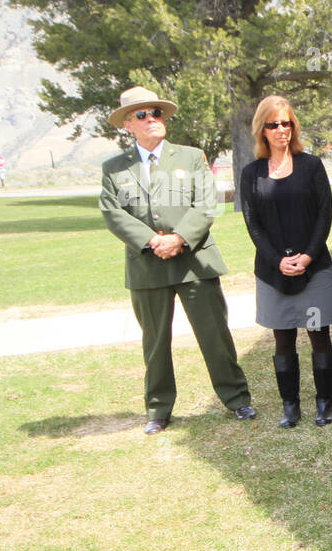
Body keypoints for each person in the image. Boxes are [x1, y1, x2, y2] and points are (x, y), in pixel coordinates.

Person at [98, 86, 255, 434]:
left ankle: (237, 399)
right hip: (146, 266)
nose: (152, 119)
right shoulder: (114, 168)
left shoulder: (190, 157)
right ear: (127, 123)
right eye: (142, 115)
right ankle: (159, 409)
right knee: (154, 342)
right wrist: (152, 241)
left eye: (156, 112)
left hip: (194, 262)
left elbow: (206, 204)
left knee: (215, 334)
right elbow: (113, 214)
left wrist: (179, 238)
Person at [239, 96, 332, 428]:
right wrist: (277, 261)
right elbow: (253, 225)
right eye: (274, 124)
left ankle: (324, 404)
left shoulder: (311, 166)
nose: (282, 130)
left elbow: (324, 214)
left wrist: (308, 255)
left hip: (313, 267)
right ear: (262, 130)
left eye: (287, 123)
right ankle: (290, 406)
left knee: (318, 332)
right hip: (273, 273)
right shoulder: (251, 173)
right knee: (282, 338)